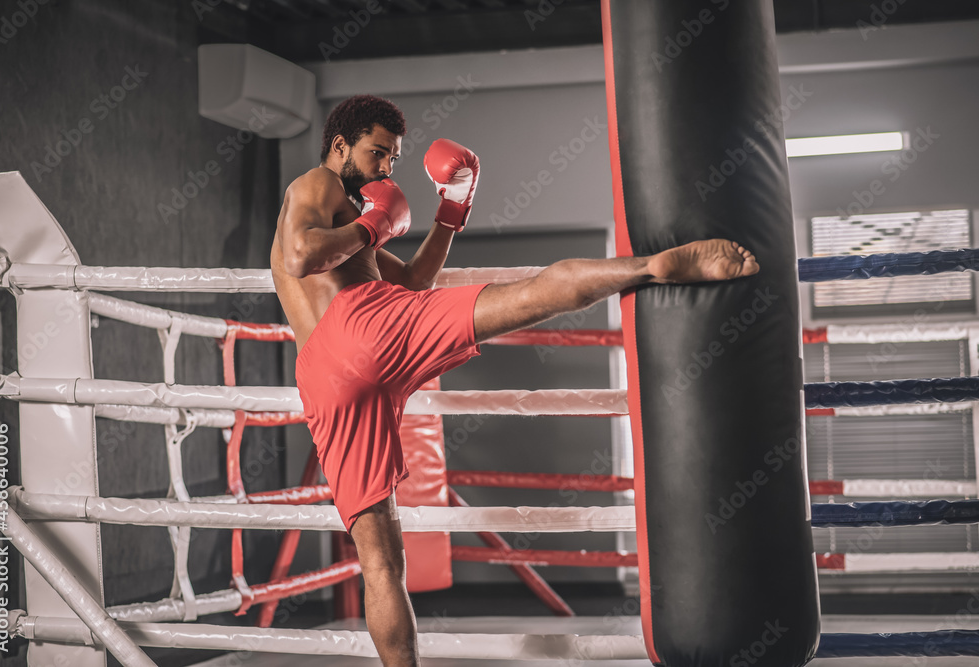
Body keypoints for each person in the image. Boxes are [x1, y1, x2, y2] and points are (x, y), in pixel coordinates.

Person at [270, 94, 759, 666]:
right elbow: (304, 254)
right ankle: (652, 267)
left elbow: (416, 283)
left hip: (326, 380)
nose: (385, 169)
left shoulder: (344, 218)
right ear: (338, 146)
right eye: (378, 154)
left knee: (380, 559)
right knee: (524, 297)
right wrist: (373, 223)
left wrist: (450, 214)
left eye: (393, 161)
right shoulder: (317, 185)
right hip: (360, 329)